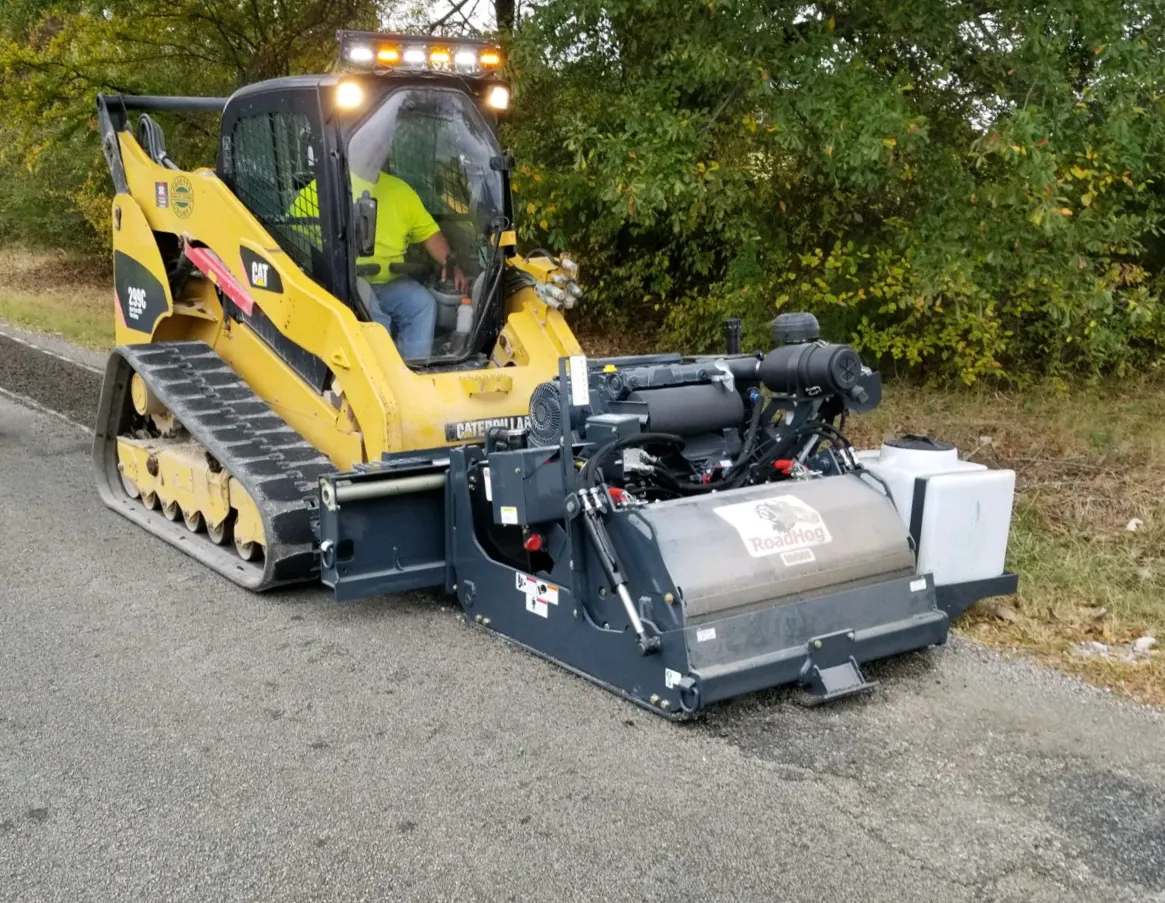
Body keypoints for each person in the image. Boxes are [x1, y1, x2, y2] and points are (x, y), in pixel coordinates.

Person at [353, 170, 467, 360]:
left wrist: (451, 266)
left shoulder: (401, 191)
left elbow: (430, 234)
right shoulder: (332, 183)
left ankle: (414, 366)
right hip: (350, 279)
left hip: (390, 281)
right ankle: (382, 372)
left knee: (423, 304)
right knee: (376, 317)